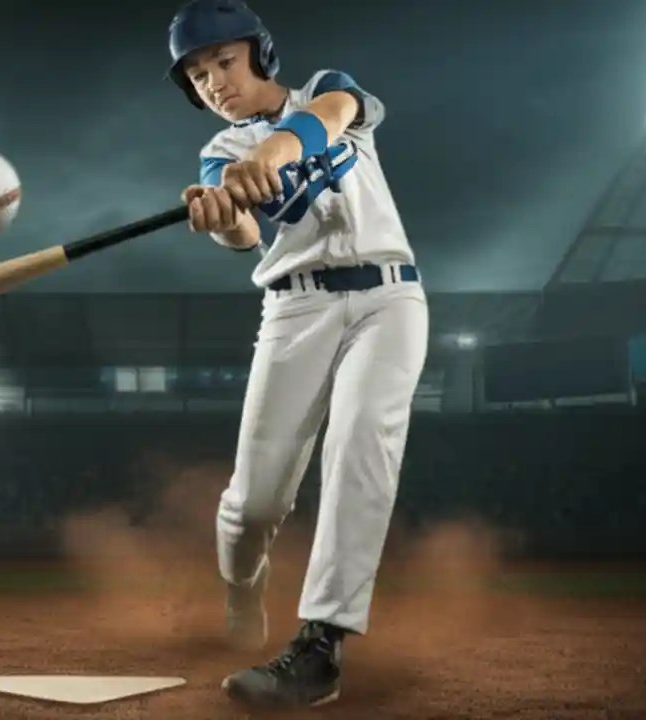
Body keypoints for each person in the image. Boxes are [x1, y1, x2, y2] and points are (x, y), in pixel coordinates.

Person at [166, 0, 431, 710]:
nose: (212, 82)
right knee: (253, 505)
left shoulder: (323, 89)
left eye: (223, 60)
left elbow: (331, 118)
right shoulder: (219, 156)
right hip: (295, 308)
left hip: (389, 297)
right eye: (196, 75)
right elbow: (246, 237)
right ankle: (242, 587)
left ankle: (322, 643)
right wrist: (220, 214)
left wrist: (273, 152)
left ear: (260, 53)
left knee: (360, 443)